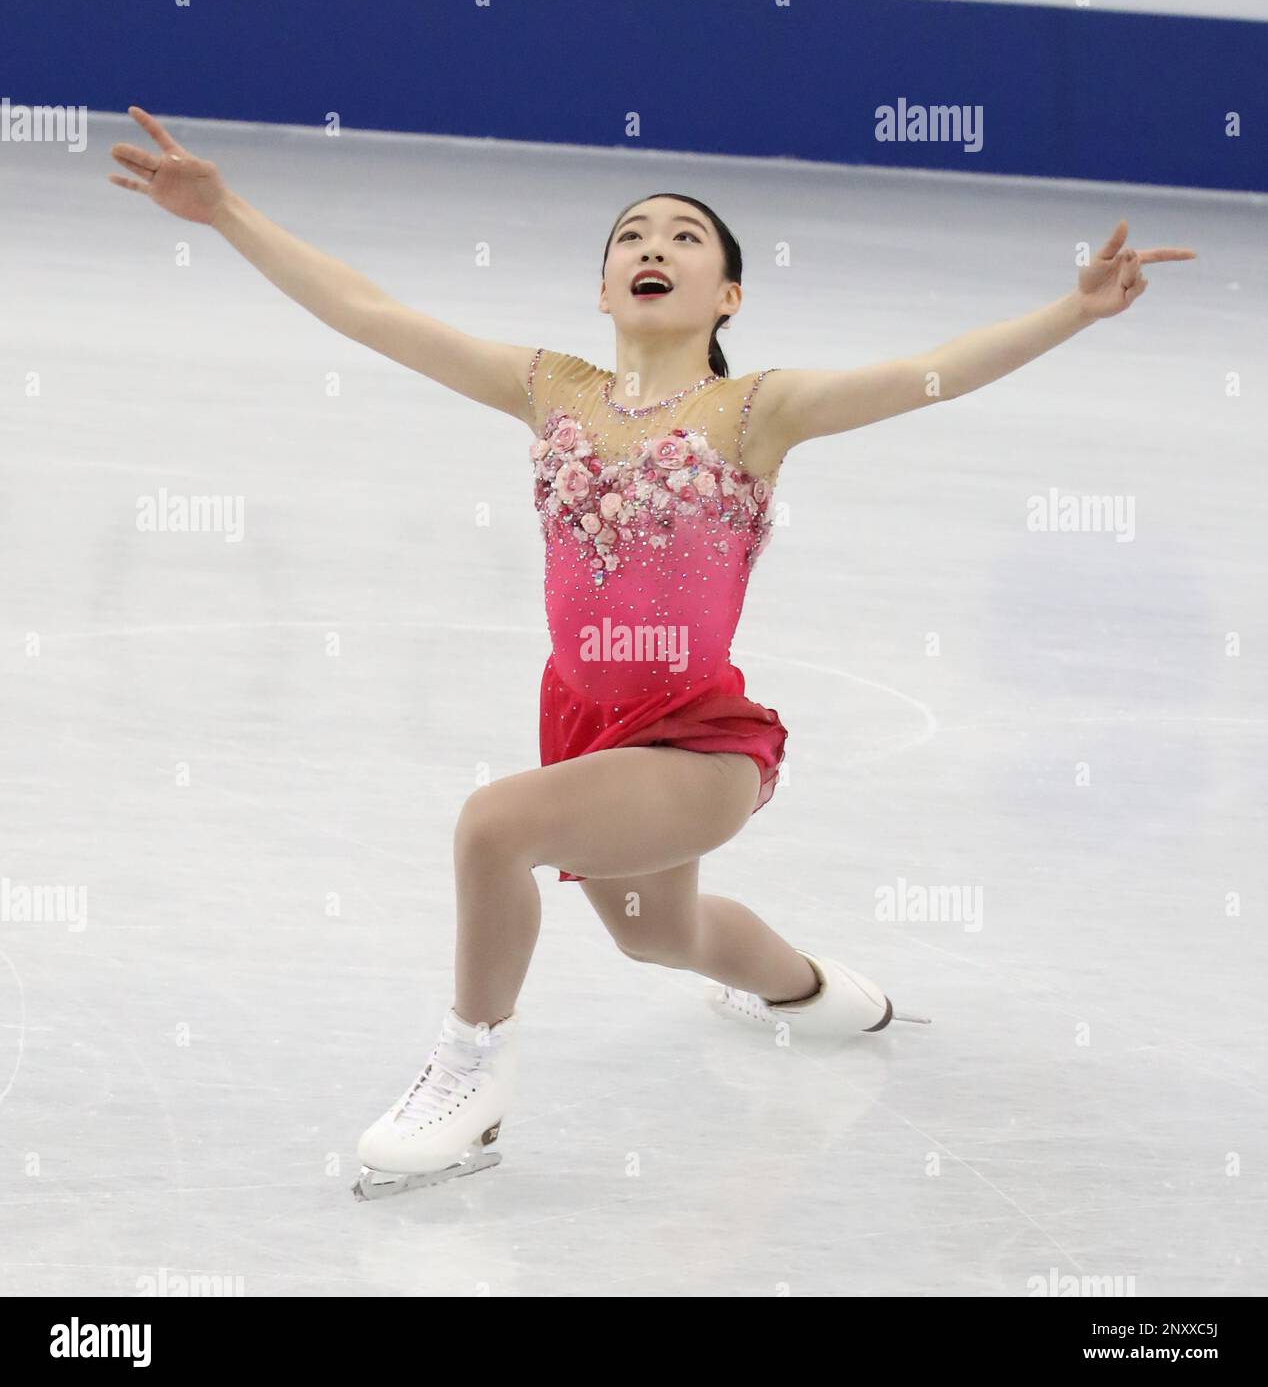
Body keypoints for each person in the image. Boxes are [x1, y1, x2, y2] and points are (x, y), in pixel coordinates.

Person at [108, 106, 1195, 1199]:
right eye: (630, 235)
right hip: (589, 725)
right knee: (657, 936)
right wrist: (226, 212)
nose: (652, 248)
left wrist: (1073, 309)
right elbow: (373, 314)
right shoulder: (553, 391)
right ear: (600, 287)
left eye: (683, 237)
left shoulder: (756, 410)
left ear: (727, 294)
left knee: (494, 826)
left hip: (697, 746)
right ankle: (812, 991)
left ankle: (469, 1076)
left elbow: (930, 372)